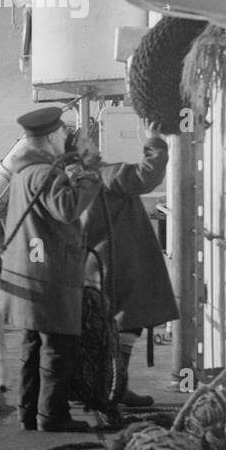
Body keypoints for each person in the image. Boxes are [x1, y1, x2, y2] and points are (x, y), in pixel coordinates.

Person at [0, 106, 103, 432]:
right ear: (50, 137)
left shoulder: (23, 172)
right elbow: (67, 208)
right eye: (61, 133)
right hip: (49, 275)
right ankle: (52, 416)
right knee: (59, 346)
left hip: (27, 271)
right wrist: (88, 173)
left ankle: (28, 412)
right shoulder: (44, 174)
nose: (64, 137)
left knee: (32, 345)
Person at [80, 120, 176, 409]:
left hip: (97, 265)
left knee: (108, 328)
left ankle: (103, 387)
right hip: (120, 264)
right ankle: (115, 388)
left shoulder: (76, 179)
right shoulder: (103, 173)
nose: (94, 143)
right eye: (87, 141)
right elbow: (146, 177)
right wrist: (154, 140)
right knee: (126, 326)